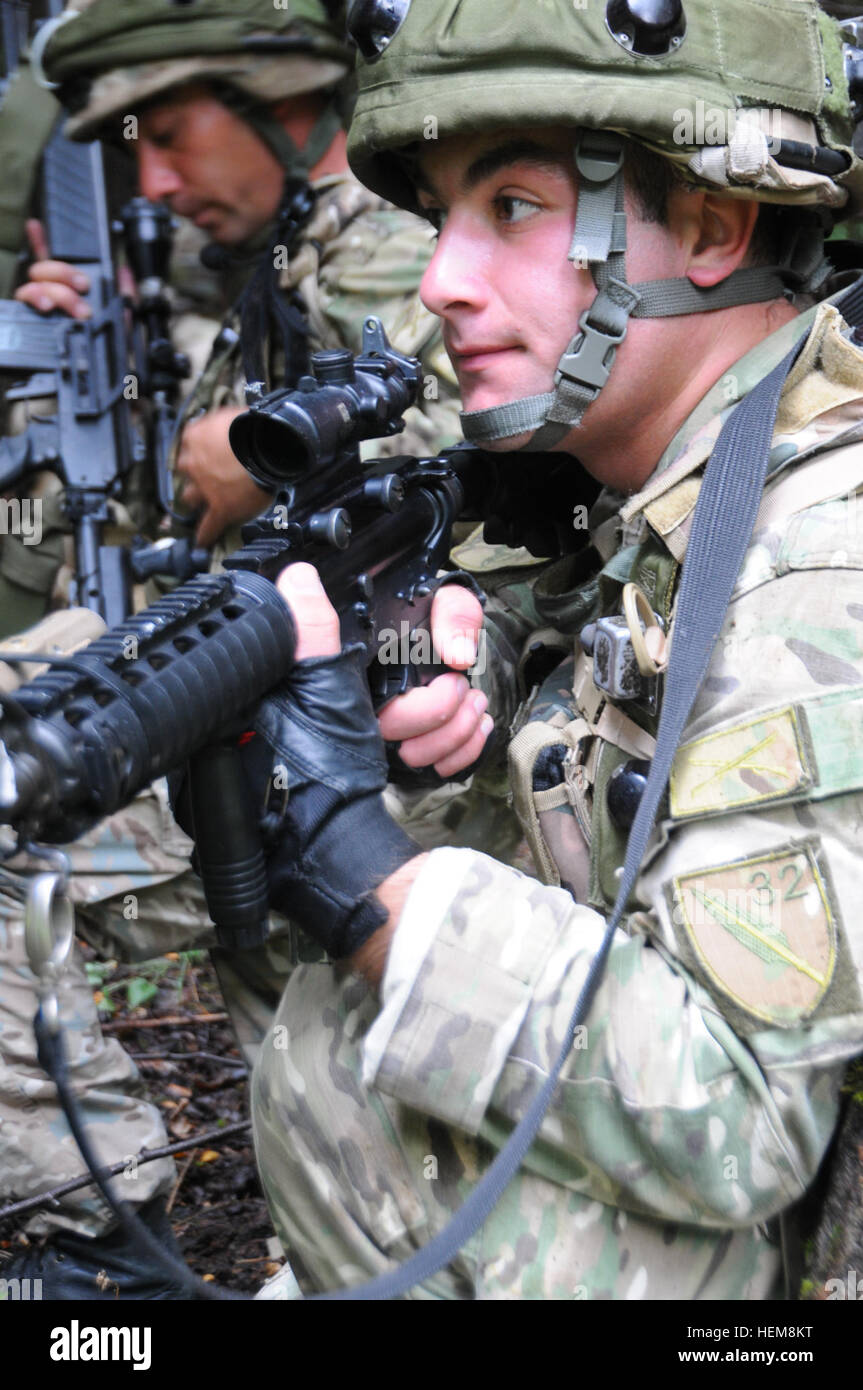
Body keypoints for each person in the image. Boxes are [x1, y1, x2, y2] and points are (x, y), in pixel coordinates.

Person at [247, 0, 863, 1300]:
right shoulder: (653, 484)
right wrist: (456, 682)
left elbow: (740, 1117)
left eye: (514, 207)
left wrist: (374, 882)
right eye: (444, 218)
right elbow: (607, 700)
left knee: (349, 1058)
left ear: (711, 223)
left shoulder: (823, 559)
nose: (440, 280)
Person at [0, 0, 475, 1300]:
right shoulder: (292, 251)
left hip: (373, 740)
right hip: (262, 688)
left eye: (170, 132)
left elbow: (462, 535)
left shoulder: (394, 259)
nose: (150, 178)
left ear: (278, 91)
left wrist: (263, 458)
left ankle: (103, 1256)